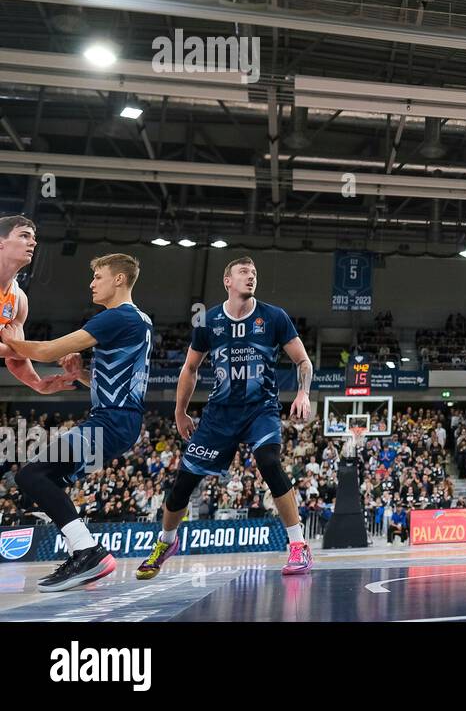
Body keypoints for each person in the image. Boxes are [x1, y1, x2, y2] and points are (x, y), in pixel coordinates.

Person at [135, 256, 315, 579]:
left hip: (261, 409)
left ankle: (298, 545)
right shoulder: (208, 321)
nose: (251, 276)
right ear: (227, 281)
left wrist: (303, 392)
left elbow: (304, 362)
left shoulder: (274, 317)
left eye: (254, 272)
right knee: (182, 485)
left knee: (270, 462)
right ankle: (166, 542)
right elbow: (190, 368)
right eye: (243, 272)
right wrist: (180, 411)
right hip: (219, 415)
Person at [2, 253, 152, 591]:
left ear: (119, 280)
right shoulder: (140, 319)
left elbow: (47, 350)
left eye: (98, 276)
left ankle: (88, 551)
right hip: (121, 422)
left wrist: (10, 340)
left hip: (111, 423)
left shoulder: (115, 318)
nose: (91, 283)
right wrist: (82, 375)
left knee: (31, 474)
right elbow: (121, 381)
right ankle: (83, 550)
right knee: (44, 478)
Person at [0, 216, 82, 395]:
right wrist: (15, 350)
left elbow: (17, 357)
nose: (33, 243)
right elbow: (18, 351)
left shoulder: (19, 298)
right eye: (24, 236)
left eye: (33, 238)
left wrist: (37, 383)